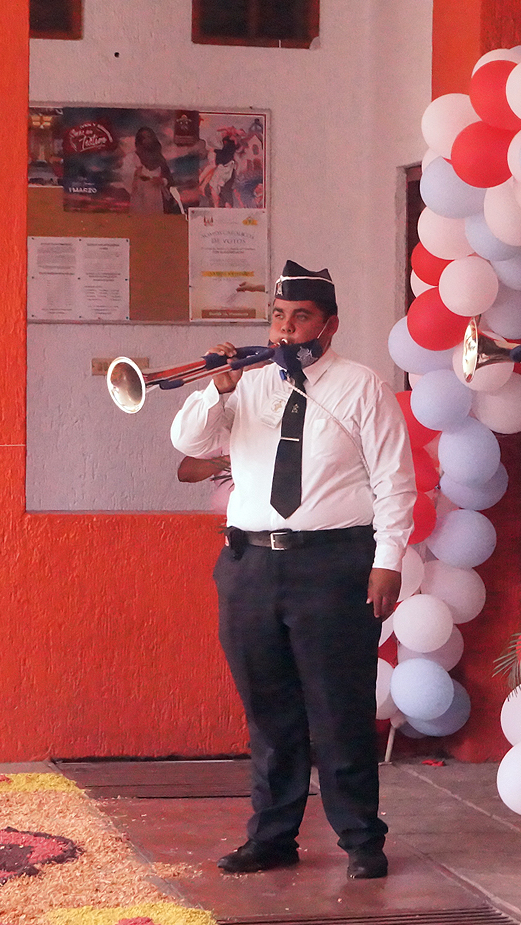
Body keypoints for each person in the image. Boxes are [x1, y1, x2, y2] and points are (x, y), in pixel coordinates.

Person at [171, 261, 415, 880]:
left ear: (329, 326)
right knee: (269, 708)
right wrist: (217, 386)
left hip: (333, 565)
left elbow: (394, 483)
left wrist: (387, 563)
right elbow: (191, 443)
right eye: (278, 316)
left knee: (339, 707)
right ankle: (273, 836)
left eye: (300, 317)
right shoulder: (246, 382)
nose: (285, 329)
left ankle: (361, 837)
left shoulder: (361, 386)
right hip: (251, 562)